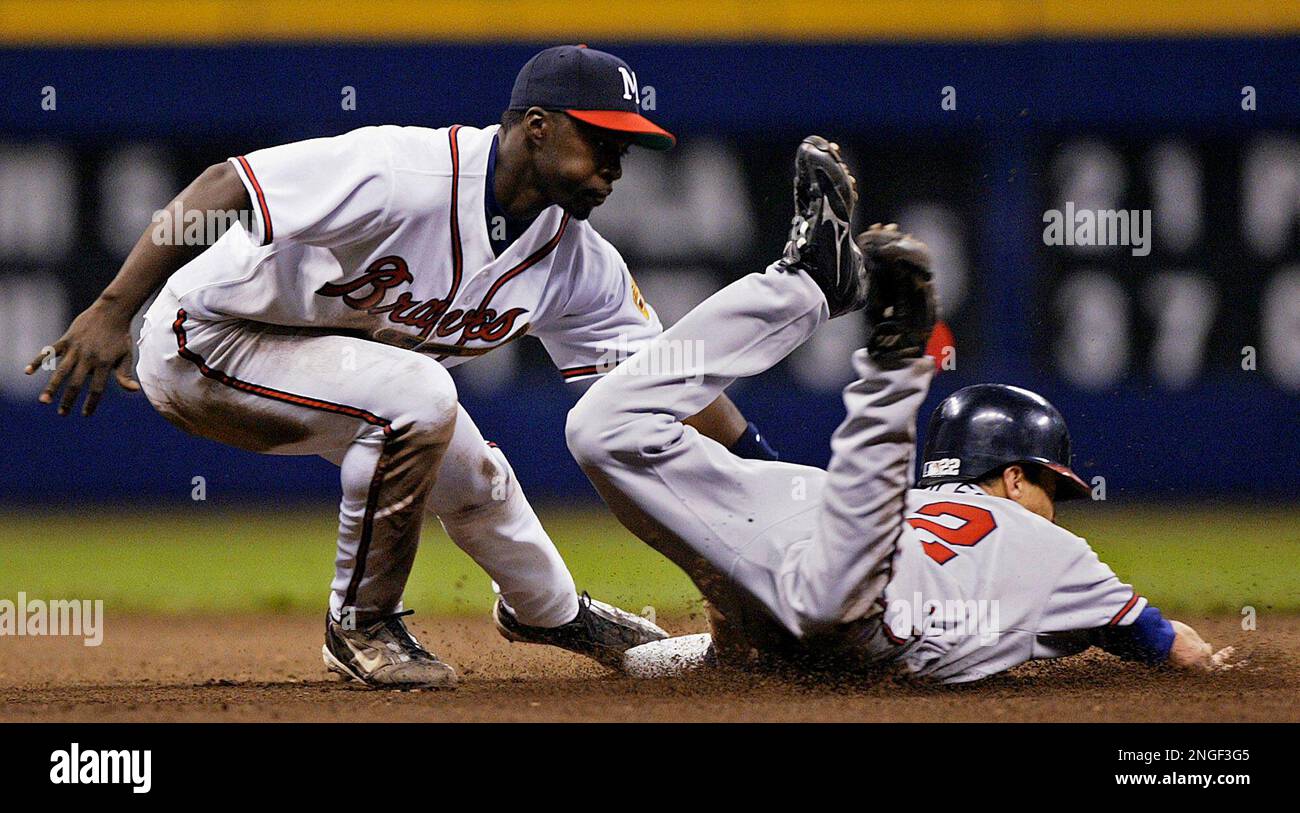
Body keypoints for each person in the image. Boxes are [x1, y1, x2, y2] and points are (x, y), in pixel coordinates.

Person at [25, 45, 777, 688]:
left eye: (623, 149)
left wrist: (771, 477)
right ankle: (360, 626)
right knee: (419, 393)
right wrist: (113, 309)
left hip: (335, 369)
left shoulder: (578, 265)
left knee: (476, 479)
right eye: (600, 141)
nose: (614, 165)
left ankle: (555, 616)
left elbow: (670, 383)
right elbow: (225, 183)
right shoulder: (404, 172)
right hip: (205, 341)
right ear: (537, 129)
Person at [565, 136, 1237, 682]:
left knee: (599, 429)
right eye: (1050, 485)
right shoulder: (1060, 555)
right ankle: (894, 365)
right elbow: (1168, 646)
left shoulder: (912, 504)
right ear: (1012, 476)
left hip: (794, 572)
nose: (1055, 506)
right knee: (835, 567)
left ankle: (805, 290)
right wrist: (1200, 653)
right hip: (854, 614)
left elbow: (759, 473)